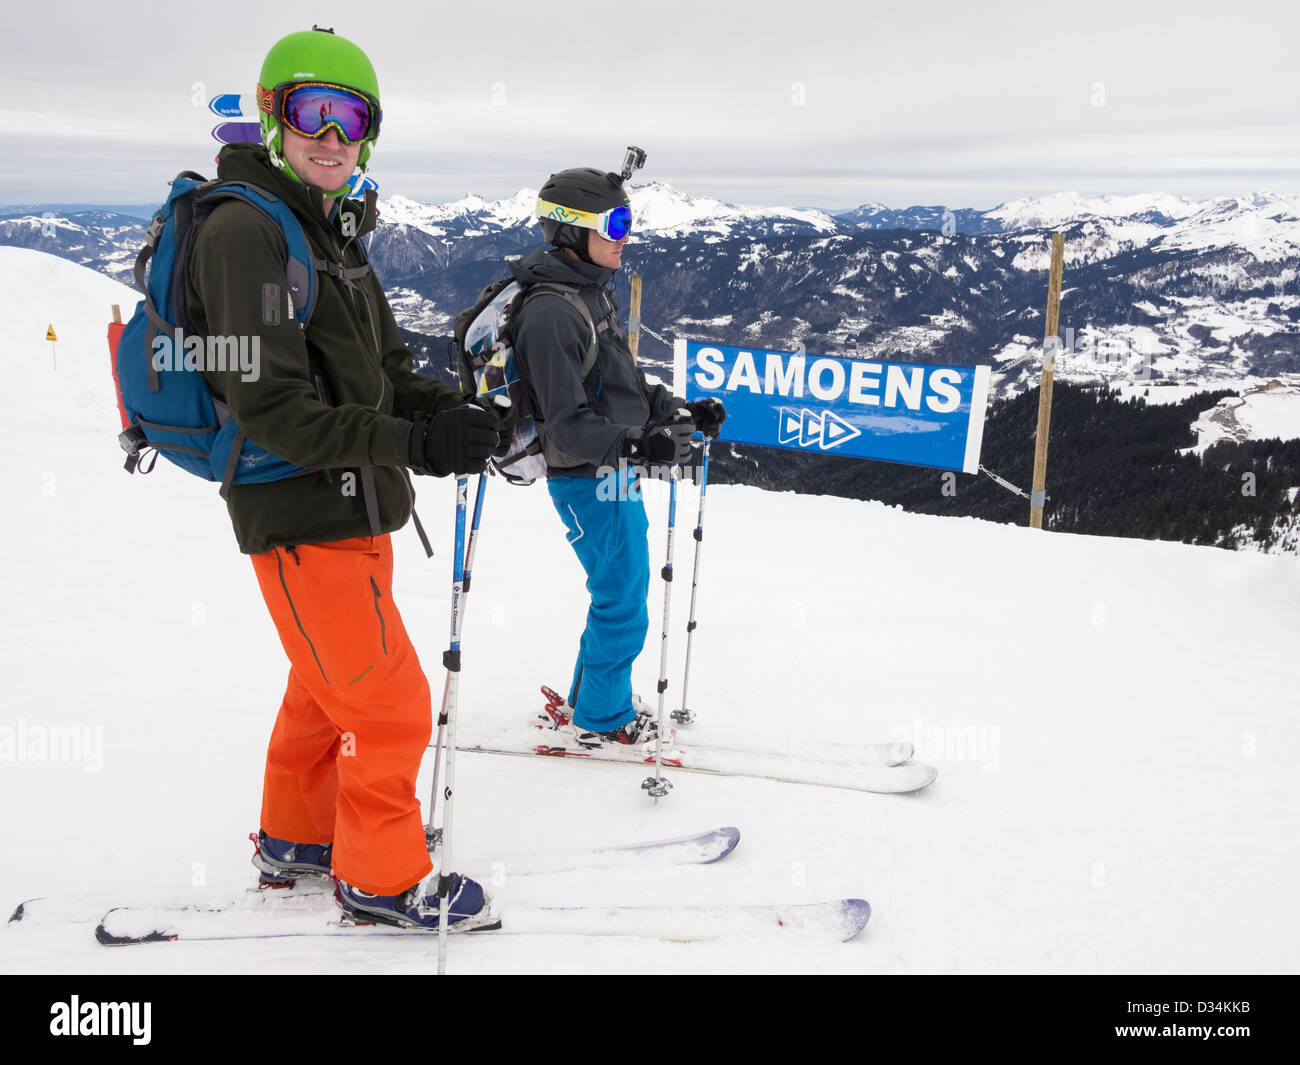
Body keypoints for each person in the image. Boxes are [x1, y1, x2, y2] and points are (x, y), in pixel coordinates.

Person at [184, 27, 511, 931]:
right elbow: (273, 408)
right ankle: (383, 876)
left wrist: (456, 413)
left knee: (326, 685)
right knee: (388, 698)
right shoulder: (246, 229)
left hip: (354, 502)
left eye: (351, 116)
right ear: (272, 115)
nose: (331, 133)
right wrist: (412, 442)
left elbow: (387, 368)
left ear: (368, 132)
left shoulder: (329, 231)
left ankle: (296, 836)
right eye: (310, 111)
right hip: (296, 503)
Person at [510, 161, 725, 754]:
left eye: (628, 220)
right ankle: (602, 720)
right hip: (584, 477)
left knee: (618, 588)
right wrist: (635, 446)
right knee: (624, 597)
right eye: (615, 222)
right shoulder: (552, 313)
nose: (625, 235)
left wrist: (676, 412)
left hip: (611, 470)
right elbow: (567, 426)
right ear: (573, 230)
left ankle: (591, 700)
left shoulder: (588, 295)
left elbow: (622, 383)